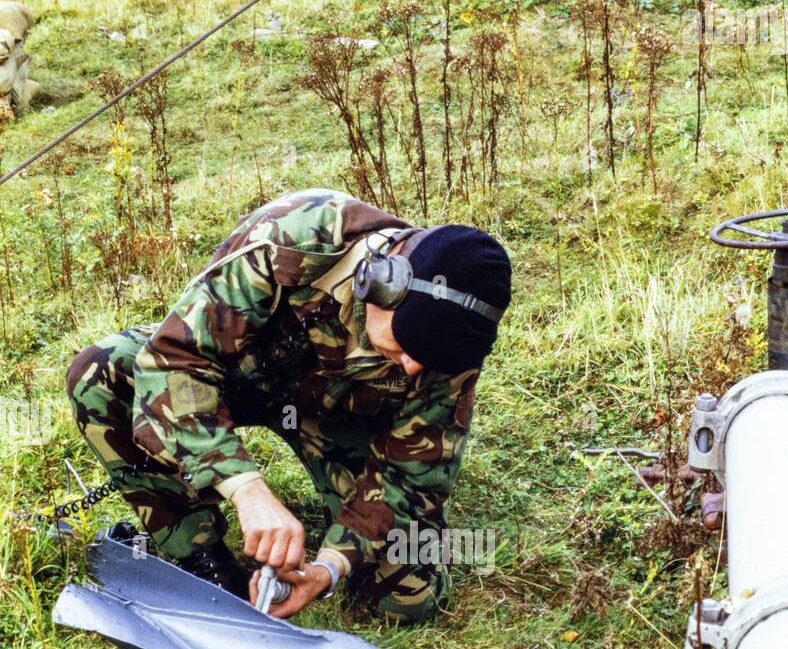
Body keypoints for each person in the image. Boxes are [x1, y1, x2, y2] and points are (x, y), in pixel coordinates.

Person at [66, 188, 511, 623]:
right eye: (411, 343)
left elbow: (412, 477)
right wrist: (245, 488)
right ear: (380, 284)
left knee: (407, 597)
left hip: (340, 416)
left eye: (430, 359)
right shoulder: (296, 237)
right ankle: (199, 553)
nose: (414, 367)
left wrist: (328, 569)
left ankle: (336, 535)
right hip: (233, 377)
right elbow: (177, 360)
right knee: (101, 372)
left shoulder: (451, 348)